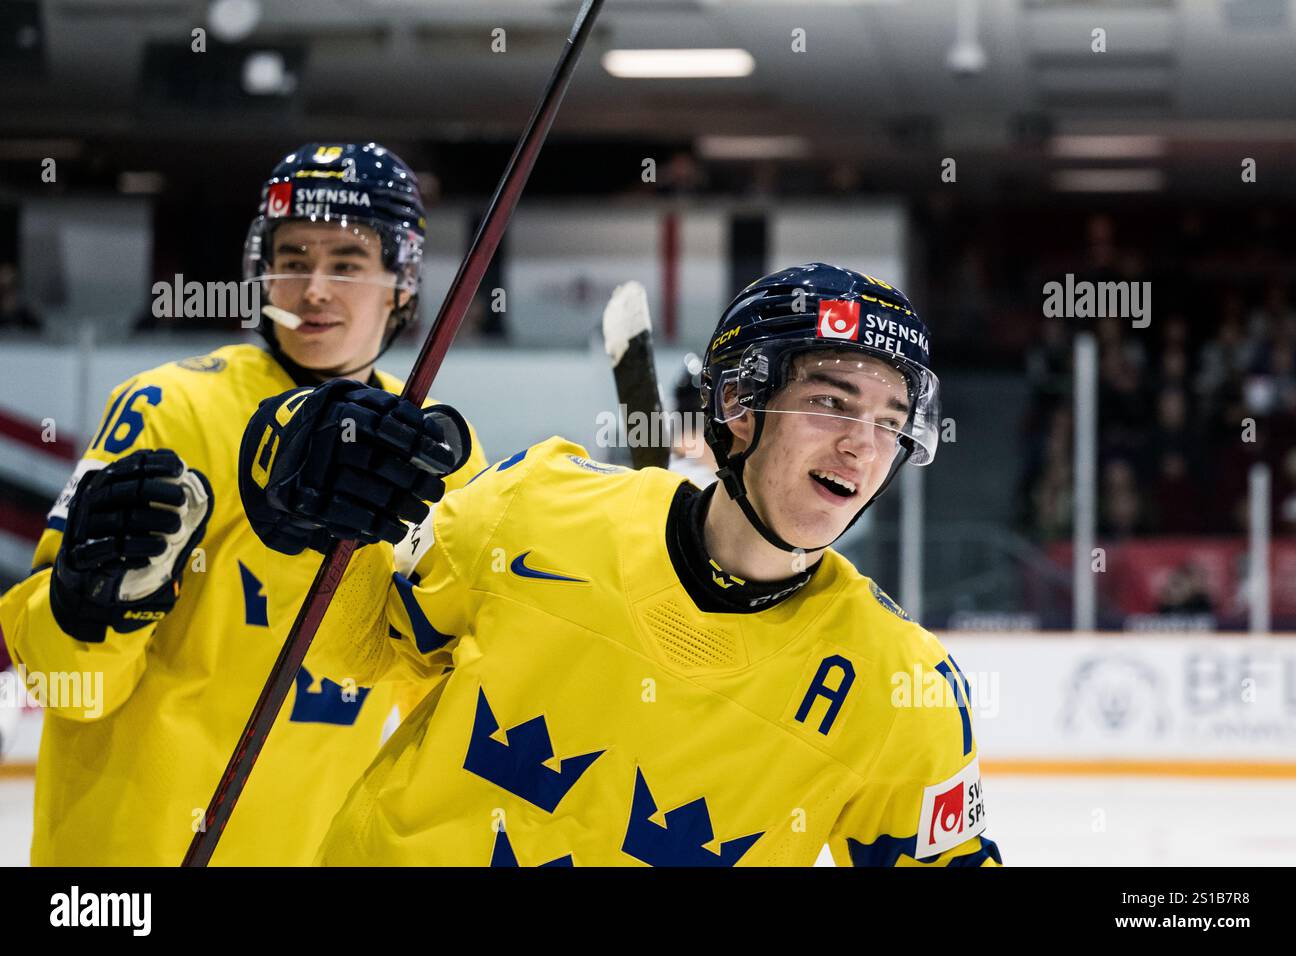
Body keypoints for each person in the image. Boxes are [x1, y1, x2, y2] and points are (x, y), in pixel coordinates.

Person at [240, 263, 1001, 866]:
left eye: (890, 423)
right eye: (833, 404)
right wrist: (312, 505)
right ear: (738, 403)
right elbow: (365, 649)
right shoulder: (537, 503)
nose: (863, 447)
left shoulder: (901, 689)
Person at [0, 142, 488, 865]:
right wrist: (83, 605)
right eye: (293, 258)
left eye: (347, 263)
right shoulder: (167, 409)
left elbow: (439, 700)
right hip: (131, 865)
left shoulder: (432, 455)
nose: (314, 288)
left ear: (402, 282)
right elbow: (62, 684)